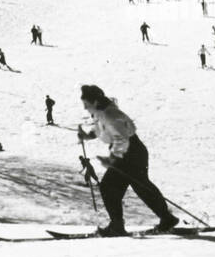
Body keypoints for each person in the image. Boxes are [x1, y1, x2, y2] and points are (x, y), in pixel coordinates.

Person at [76, 85, 179, 237]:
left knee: (113, 186)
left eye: (86, 104)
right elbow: (100, 130)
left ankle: (118, 225)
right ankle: (166, 218)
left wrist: (111, 158)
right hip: (130, 153)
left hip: (131, 153)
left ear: (96, 102)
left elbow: (122, 139)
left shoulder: (110, 114)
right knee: (139, 187)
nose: (85, 108)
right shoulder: (101, 113)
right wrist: (87, 136)